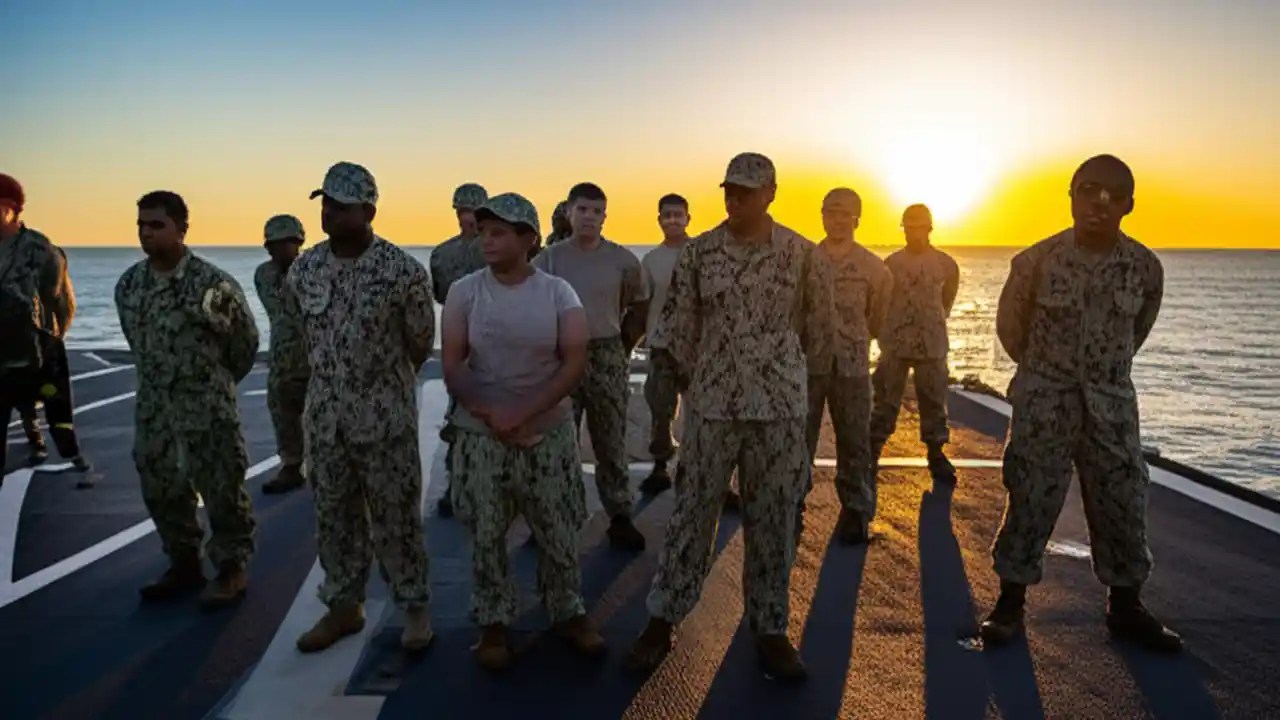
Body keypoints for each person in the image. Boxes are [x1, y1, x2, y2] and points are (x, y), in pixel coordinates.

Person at [625, 152, 834, 681]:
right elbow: (677, 330)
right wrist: (712, 376)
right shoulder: (699, 254)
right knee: (692, 514)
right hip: (714, 409)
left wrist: (779, 375)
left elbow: (817, 332)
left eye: (745, 191)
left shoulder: (802, 255)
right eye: (728, 190)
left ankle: (769, 628)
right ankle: (662, 619)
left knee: (775, 520)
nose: (733, 199)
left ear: (770, 194)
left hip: (780, 411)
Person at [981, 155, 1181, 653]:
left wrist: (1101, 375)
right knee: (1030, 498)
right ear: (1071, 196)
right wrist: (1048, 376)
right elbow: (1012, 330)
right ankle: (1010, 602)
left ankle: (1126, 604)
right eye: (1090, 190)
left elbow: (1138, 330)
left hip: (1111, 410)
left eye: (1115, 194)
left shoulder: (1144, 268)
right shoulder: (1034, 263)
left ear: (1130, 205)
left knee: (1123, 502)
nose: (1101, 202)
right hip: (1045, 404)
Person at [441, 192, 605, 670]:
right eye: (484, 231)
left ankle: (567, 610)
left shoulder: (558, 293)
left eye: (498, 233)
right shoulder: (464, 292)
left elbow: (574, 361)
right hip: (481, 433)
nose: (486, 240)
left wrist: (526, 411)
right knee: (486, 530)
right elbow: (453, 362)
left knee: (557, 526)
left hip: (546, 432)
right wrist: (495, 414)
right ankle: (493, 621)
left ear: (528, 239)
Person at [291, 162, 434, 654]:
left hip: (384, 421)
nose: (328, 212)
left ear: (369, 212)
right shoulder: (305, 268)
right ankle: (343, 607)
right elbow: (299, 337)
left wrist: (381, 389)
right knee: (334, 517)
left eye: (340, 205)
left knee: (396, 517)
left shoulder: (401, 272)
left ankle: (414, 608)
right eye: (325, 202)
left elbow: (419, 342)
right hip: (325, 422)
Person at [115, 190, 259, 610]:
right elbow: (136, 343)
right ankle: (184, 564)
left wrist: (212, 384)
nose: (146, 232)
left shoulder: (211, 285)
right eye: (141, 224)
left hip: (207, 411)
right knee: (161, 489)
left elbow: (244, 345)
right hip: (155, 411)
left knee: (222, 491)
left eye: (156, 225)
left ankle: (232, 569)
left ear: (181, 228)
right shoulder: (130, 286)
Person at [533, 182, 649, 551]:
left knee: (610, 438)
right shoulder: (549, 260)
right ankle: (558, 516)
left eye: (597, 211)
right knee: (557, 441)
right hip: (562, 354)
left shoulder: (622, 260)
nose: (589, 217)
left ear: (605, 217)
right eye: (582, 209)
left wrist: (623, 345)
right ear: (569, 212)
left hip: (606, 353)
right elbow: (531, 303)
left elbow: (639, 305)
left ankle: (619, 514)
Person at [803, 188, 892, 544]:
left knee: (855, 441)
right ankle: (792, 505)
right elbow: (795, 310)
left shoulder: (874, 268)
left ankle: (855, 510)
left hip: (853, 366)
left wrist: (856, 339)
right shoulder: (806, 260)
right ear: (821, 216)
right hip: (810, 364)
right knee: (799, 439)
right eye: (830, 213)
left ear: (857, 218)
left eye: (844, 215)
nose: (836, 221)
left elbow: (879, 316)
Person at [0, 174, 88, 477]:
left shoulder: (40, 251)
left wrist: (52, 342)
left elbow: (61, 303)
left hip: (29, 351)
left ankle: (52, 444)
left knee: (41, 403)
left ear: (13, 208)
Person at [869, 204, 959, 479]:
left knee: (933, 401)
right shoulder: (890, 264)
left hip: (930, 345)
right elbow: (879, 302)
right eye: (909, 227)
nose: (913, 233)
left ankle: (936, 453)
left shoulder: (946, 264)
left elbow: (947, 302)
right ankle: (872, 450)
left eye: (919, 227)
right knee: (885, 400)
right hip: (895, 344)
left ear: (929, 229)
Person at [428, 182, 489, 518]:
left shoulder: (443, 253)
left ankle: (478, 488)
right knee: (460, 418)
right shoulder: (444, 254)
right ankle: (458, 487)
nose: (466, 217)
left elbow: (441, 296)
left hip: (486, 346)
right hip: (464, 347)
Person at [638, 193, 691, 495]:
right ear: (659, 220)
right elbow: (642, 304)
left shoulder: (701, 253)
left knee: (702, 414)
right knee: (660, 410)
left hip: (698, 348)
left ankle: (698, 469)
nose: (673, 220)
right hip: (661, 346)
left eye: (678, 215)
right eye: (667, 215)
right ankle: (660, 467)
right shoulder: (652, 260)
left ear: (688, 218)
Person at [254, 214, 309, 494]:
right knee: (282, 413)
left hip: (316, 359)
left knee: (324, 419)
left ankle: (324, 469)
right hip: (282, 359)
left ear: (297, 242)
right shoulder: (264, 274)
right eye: (271, 244)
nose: (275, 249)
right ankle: (291, 465)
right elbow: (281, 311)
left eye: (283, 243)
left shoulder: (315, 271)